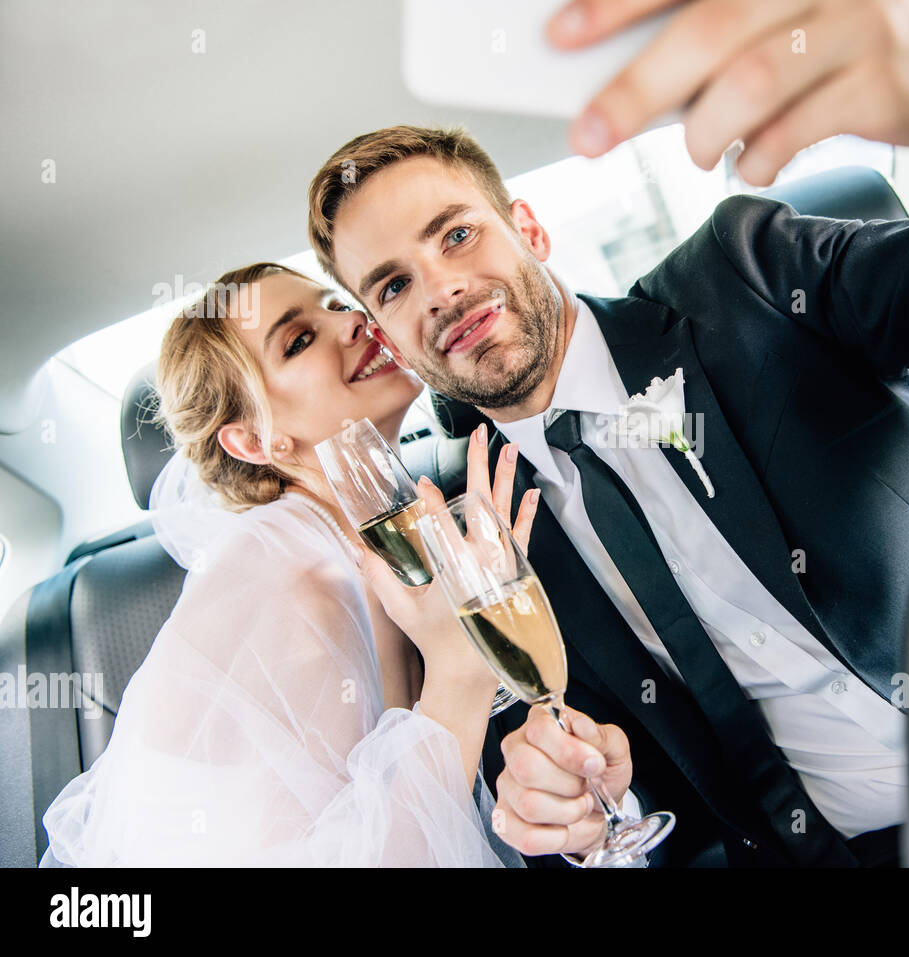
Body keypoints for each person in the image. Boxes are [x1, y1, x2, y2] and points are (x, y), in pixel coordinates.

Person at [301, 7, 909, 868]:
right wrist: (581, 816)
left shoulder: (743, 276)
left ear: (531, 232)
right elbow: (642, 800)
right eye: (393, 286)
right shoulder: (476, 537)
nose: (440, 290)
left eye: (458, 234)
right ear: (390, 340)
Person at [40, 263, 537, 867]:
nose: (353, 321)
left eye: (334, 304)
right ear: (255, 441)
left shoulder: (373, 530)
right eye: (299, 340)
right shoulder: (287, 579)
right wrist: (463, 669)